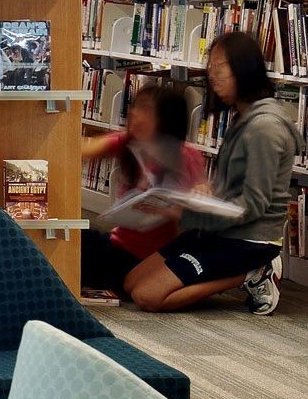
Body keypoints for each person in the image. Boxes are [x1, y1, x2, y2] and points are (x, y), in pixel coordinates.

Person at [127, 30, 297, 316]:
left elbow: (253, 206)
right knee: (131, 282)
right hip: (220, 230)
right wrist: (205, 193)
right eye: (210, 68)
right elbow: (236, 188)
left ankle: (252, 273)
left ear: (244, 68)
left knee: (148, 297)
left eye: (220, 68)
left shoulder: (264, 126)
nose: (212, 76)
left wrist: (186, 214)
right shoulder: (244, 116)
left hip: (249, 239)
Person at [78, 80, 205, 302]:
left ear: (165, 119)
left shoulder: (185, 157)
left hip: (148, 258)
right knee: (68, 236)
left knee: (81, 258)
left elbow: (190, 225)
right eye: (135, 106)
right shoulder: (129, 143)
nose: (134, 113)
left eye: (145, 109)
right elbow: (82, 150)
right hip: (118, 242)